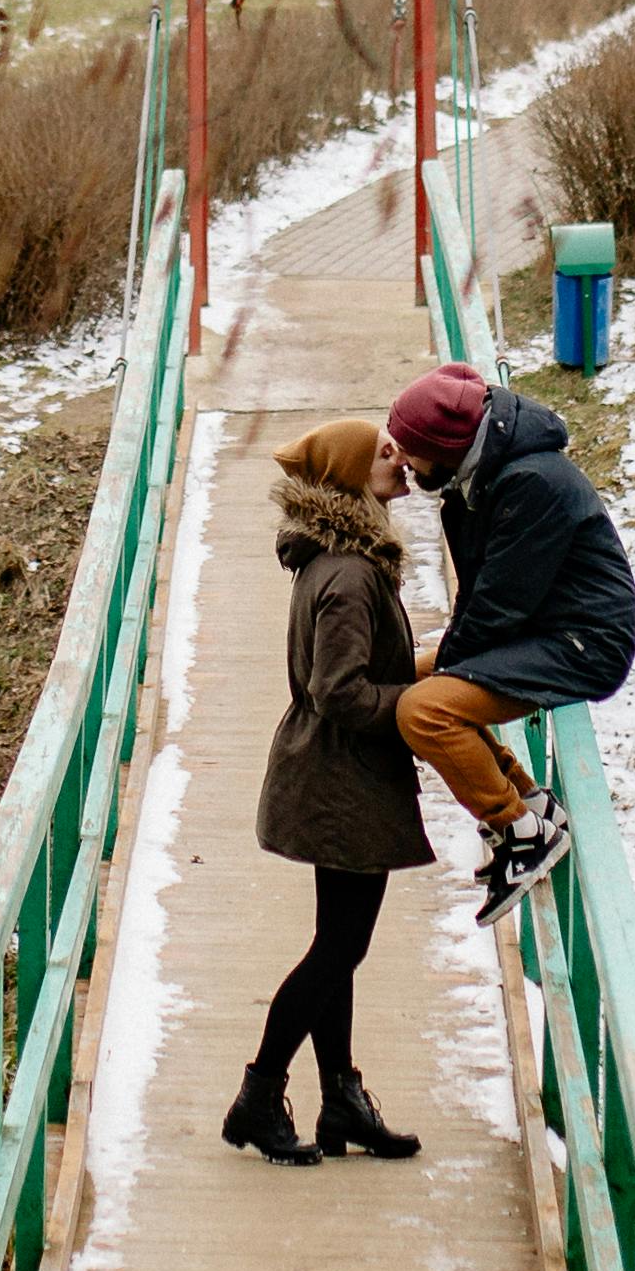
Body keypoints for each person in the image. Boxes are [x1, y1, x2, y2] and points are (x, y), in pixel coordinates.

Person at [227, 418, 428, 1166]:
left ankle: (341, 1098)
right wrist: (412, 705)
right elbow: (340, 691)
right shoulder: (349, 573)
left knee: (337, 945)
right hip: (341, 777)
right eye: (383, 454)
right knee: (340, 947)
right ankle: (258, 1094)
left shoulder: (343, 561)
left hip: (335, 774)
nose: (400, 460)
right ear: (348, 476)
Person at [379, 357, 634, 924]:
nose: (404, 462)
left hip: (582, 643)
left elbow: (501, 603)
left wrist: (449, 666)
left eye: (407, 447)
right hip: (542, 628)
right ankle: (531, 803)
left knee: (424, 711)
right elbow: (484, 594)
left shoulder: (531, 482)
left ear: (441, 443)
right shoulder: (488, 477)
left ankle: (521, 833)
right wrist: (444, 661)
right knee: (406, 677)